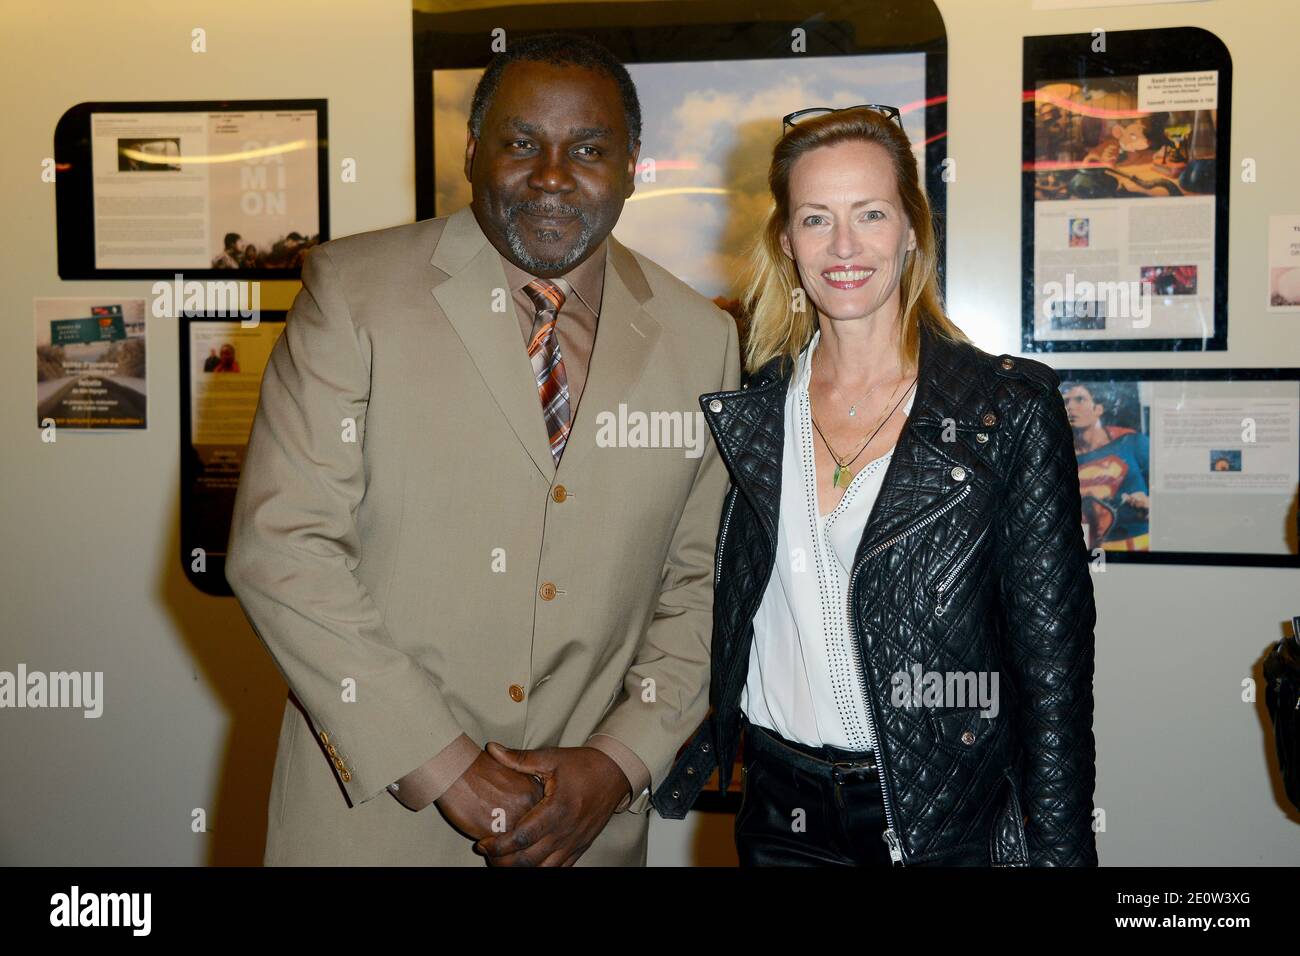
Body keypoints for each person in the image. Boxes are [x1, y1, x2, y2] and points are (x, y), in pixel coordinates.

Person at [225, 32, 739, 866]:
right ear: (472, 152)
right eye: (521, 143)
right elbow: (283, 548)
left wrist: (618, 762)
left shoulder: (702, 339)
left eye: (589, 149)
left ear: (633, 167)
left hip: (584, 836)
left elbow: (704, 584)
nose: (551, 176)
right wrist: (445, 765)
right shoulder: (353, 294)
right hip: (374, 828)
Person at [655, 106, 1099, 867]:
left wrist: (1061, 856)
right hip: (780, 812)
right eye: (816, 219)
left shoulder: (1006, 410)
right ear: (786, 241)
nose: (844, 246)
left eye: (870, 214)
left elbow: (1053, 678)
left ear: (912, 229)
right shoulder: (747, 410)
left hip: (946, 819)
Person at [1061, 382, 1150, 551]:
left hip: (1141, 551)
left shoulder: (1133, 442)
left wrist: (1150, 502)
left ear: (1098, 409)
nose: (1070, 407)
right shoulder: (1058, 455)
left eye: (1080, 399)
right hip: (1091, 552)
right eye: (1065, 402)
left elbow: (1170, 490)